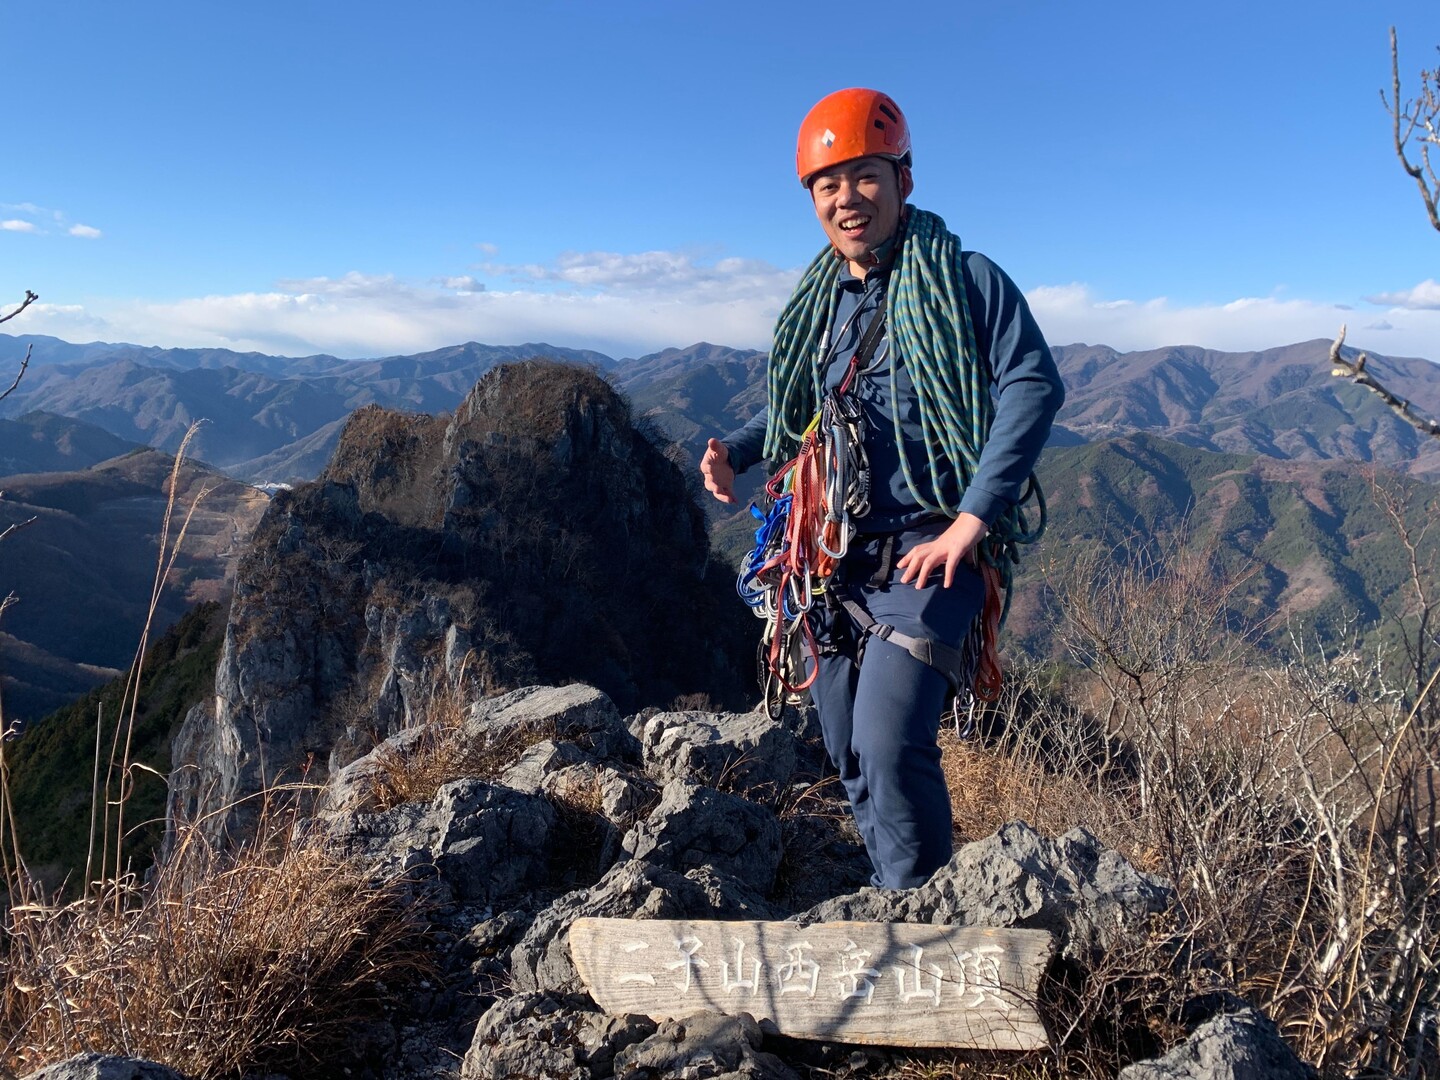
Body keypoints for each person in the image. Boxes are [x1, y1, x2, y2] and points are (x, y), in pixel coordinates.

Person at [700, 88, 1065, 890]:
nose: (845, 198)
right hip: (837, 557)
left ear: (903, 178)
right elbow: (804, 411)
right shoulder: (822, 303)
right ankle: (907, 892)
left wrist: (971, 521)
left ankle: (930, 932)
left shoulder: (964, 278)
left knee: (892, 741)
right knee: (849, 751)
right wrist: (739, 448)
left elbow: (1032, 385)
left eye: (863, 176)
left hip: (932, 548)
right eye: (827, 186)